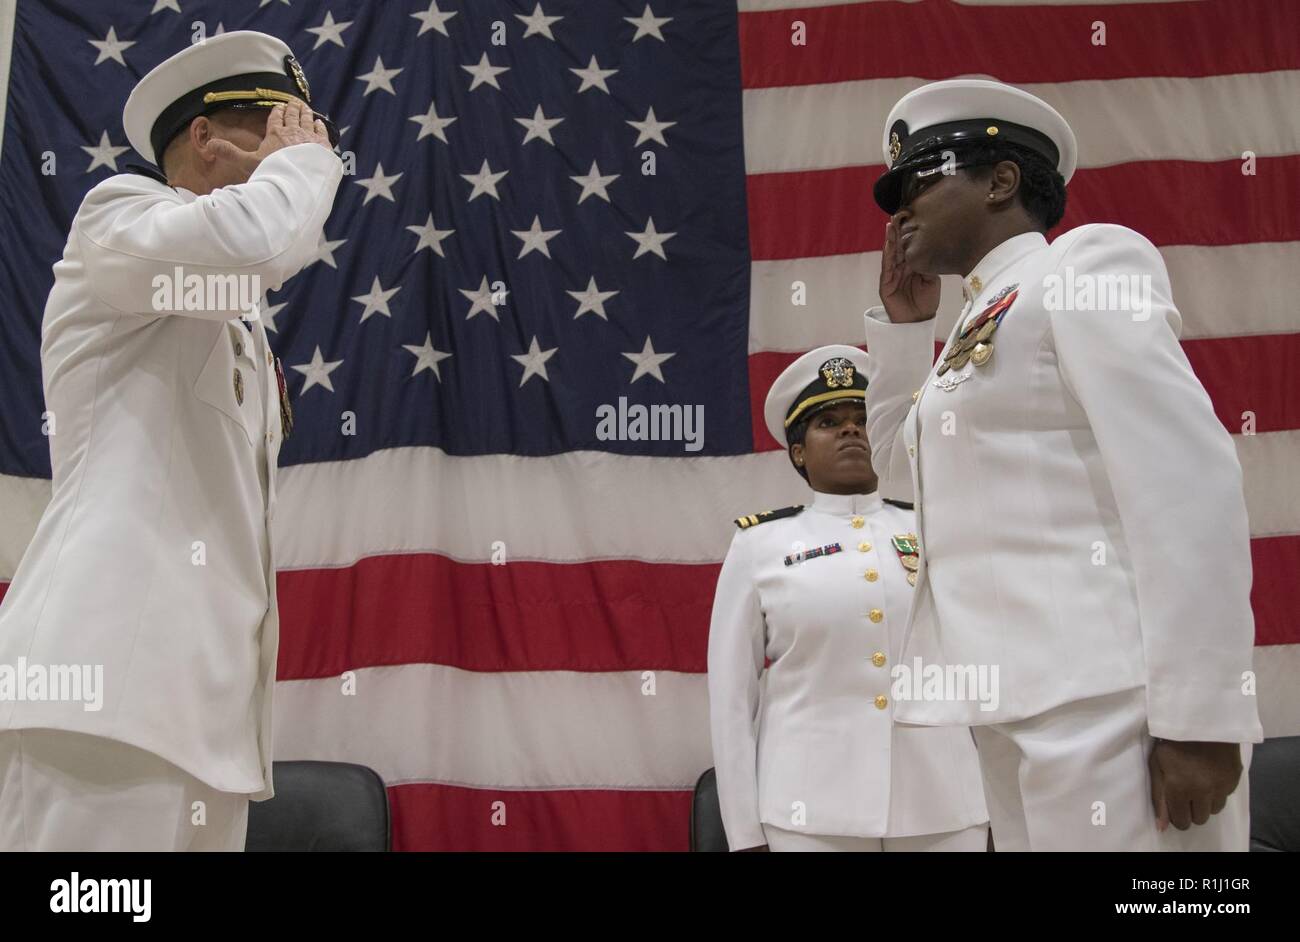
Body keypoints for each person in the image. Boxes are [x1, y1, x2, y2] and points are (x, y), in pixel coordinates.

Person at [862, 79, 1262, 851]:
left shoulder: (1080, 266)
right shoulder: (977, 321)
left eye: (921, 180)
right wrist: (909, 333)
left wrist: (1201, 713)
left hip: (1111, 704)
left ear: (1000, 180)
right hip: (1013, 705)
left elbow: (1187, 479)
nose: (900, 210)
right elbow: (899, 473)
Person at [0, 31, 343, 851]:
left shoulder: (231, 314)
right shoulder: (118, 222)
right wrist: (310, 165)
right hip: (104, 698)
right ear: (204, 140)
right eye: (282, 130)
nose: (302, 153)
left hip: (202, 722)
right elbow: (261, 241)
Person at [707, 345, 988, 852]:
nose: (851, 430)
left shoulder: (935, 527)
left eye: (861, 419)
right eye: (829, 422)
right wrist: (745, 833)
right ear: (798, 451)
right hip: (809, 812)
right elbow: (730, 700)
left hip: (943, 803)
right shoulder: (759, 545)